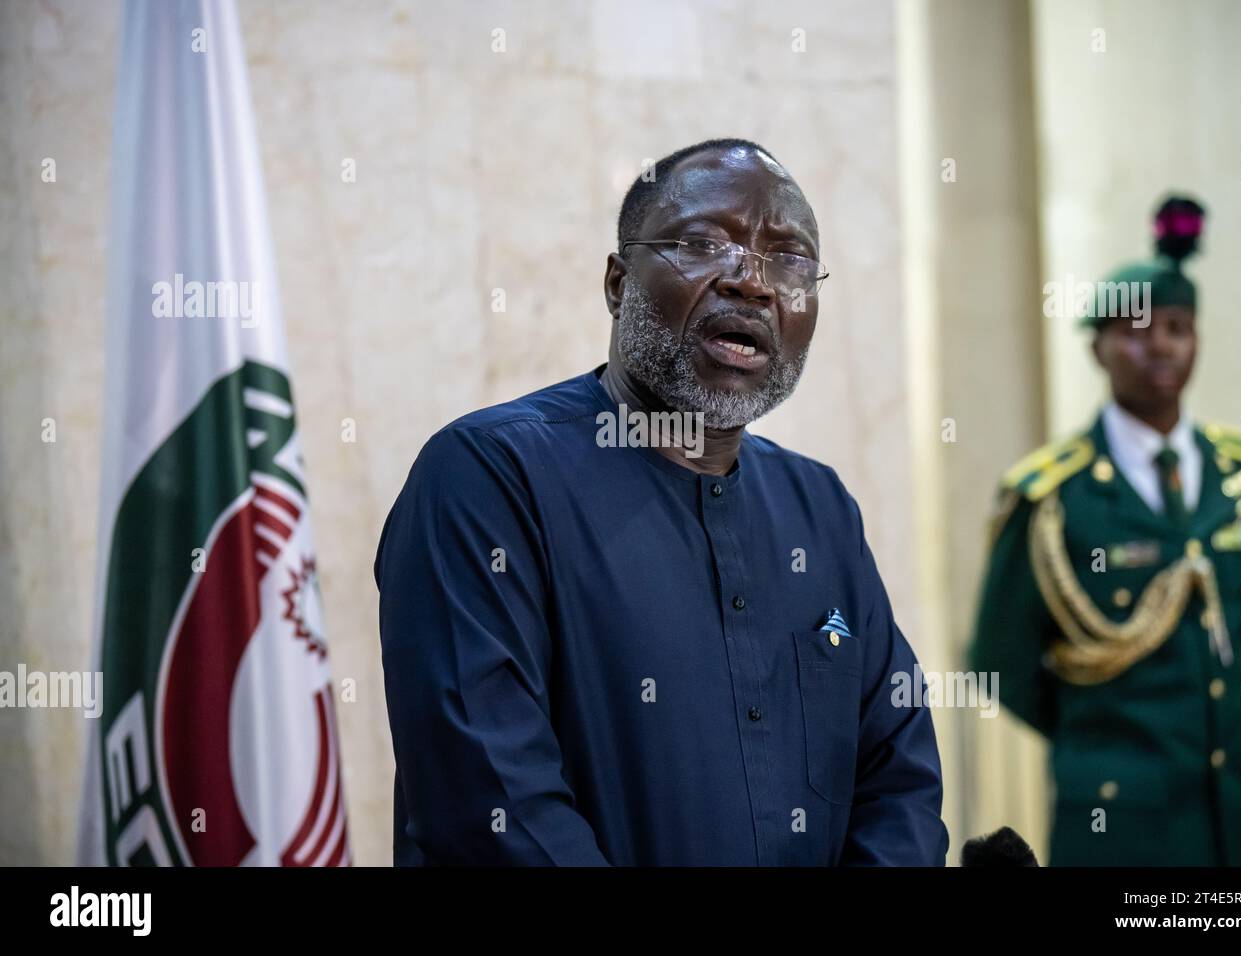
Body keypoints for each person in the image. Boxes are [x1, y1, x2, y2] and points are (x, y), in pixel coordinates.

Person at [375, 138, 948, 865]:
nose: (753, 282)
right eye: (704, 243)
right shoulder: (489, 476)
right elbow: (492, 805)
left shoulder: (820, 506)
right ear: (618, 283)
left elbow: (898, 782)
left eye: (790, 259)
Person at [970, 196, 1241, 865]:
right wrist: (1102, 739)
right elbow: (999, 660)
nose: (1159, 344)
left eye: (1177, 326)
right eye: (1135, 329)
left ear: (1198, 339)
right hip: (1121, 815)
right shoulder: (1052, 497)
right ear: (1097, 346)